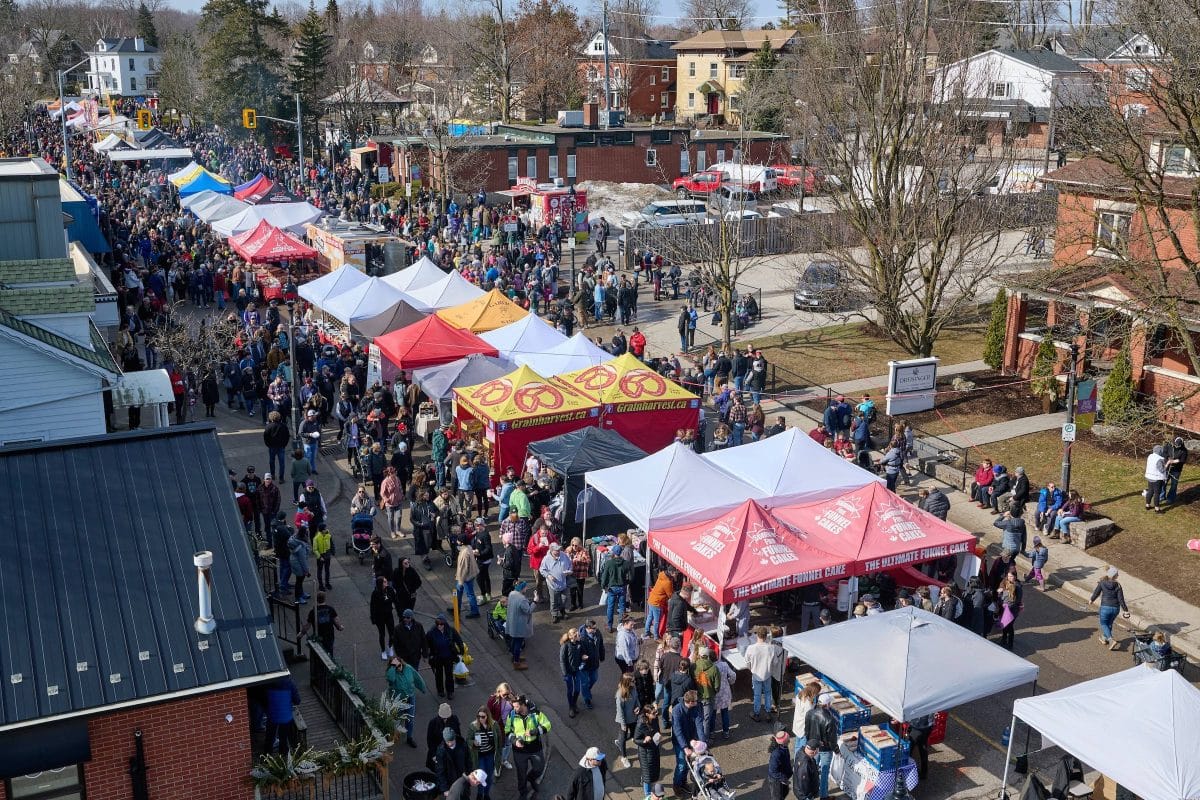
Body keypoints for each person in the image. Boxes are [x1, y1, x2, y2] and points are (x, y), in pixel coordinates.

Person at [505, 695, 552, 799]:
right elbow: (508, 730)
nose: (514, 709)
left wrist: (534, 732)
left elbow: (547, 725)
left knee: (539, 768)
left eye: (516, 706)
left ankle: (531, 778)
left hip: (535, 748)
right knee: (521, 774)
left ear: (523, 705)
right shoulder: (512, 715)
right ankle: (523, 792)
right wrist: (514, 740)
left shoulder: (536, 713)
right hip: (519, 751)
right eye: (513, 706)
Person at [386, 654, 426, 748]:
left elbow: (417, 678)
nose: (398, 668)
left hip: (410, 697)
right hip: (398, 699)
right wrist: (393, 667)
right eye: (396, 667)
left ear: (402, 663)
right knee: (397, 719)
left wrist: (422, 688)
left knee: (410, 719)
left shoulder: (408, 668)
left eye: (399, 665)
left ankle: (409, 738)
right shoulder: (391, 672)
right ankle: (394, 734)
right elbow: (391, 679)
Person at [670, 690, 706, 793]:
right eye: (695, 701)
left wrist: (702, 742)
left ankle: (683, 782)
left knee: (689, 764)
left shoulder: (697, 707)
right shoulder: (677, 710)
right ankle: (677, 785)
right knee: (681, 765)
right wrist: (685, 747)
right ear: (690, 702)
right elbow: (678, 731)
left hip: (692, 739)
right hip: (680, 742)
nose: (697, 702)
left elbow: (699, 724)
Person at [803, 693, 838, 799]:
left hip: (813, 746)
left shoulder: (809, 713)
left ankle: (811, 793)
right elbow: (832, 740)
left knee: (812, 770)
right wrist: (837, 750)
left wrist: (810, 744)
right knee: (824, 772)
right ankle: (824, 796)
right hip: (825, 749)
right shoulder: (830, 719)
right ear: (827, 704)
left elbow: (807, 731)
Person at [1088, 567, 1131, 650]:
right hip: (1115, 609)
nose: (1118, 575)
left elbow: (1096, 592)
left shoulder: (1102, 583)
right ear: (1114, 576)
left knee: (1104, 624)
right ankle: (1104, 638)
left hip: (1105, 607)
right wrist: (1125, 610)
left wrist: (1091, 600)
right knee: (1109, 624)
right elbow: (1121, 599)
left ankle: (1111, 640)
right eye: (1117, 574)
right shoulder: (1118, 585)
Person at [426, 613, 465, 699]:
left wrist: (461, 651)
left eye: (441, 624)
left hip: (448, 657)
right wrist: (428, 655)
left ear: (444, 623)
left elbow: (458, 640)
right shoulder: (431, 632)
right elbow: (426, 644)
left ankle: (450, 692)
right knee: (438, 675)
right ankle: (440, 691)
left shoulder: (450, 630)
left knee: (449, 675)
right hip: (437, 657)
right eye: (437, 624)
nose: (439, 626)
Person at [468, 709, 501, 799]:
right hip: (479, 755)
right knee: (480, 776)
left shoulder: (494, 725)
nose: (480, 719)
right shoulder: (473, 726)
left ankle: (486, 795)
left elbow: (499, 739)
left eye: (483, 717)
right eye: (479, 716)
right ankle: (479, 794)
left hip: (490, 754)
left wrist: (498, 752)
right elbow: (468, 740)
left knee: (489, 777)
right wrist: (473, 742)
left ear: (488, 716)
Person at [264, 675, 301, 754]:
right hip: (285, 716)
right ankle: (283, 754)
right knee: (283, 738)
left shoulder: (267, 683)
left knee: (269, 737)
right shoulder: (290, 684)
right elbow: (297, 700)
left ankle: (267, 756)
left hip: (272, 715)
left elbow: (263, 699)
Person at [745, 627, 775, 721]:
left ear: (757, 635)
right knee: (767, 693)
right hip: (767, 674)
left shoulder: (751, 648)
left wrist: (752, 670)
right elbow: (775, 662)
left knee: (757, 695)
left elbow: (747, 663)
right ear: (766, 636)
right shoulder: (770, 647)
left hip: (756, 674)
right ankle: (768, 712)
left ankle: (756, 714)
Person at [598, 544, 630, 631]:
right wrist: (626, 582)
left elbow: (604, 576)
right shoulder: (626, 563)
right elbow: (630, 576)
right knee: (622, 607)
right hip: (622, 587)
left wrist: (603, 586)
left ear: (613, 552)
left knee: (610, 607)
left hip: (612, 588)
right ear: (621, 552)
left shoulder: (609, 563)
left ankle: (609, 625)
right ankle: (621, 624)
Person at [634, 706, 663, 798]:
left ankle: (652, 788)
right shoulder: (641, 724)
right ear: (647, 714)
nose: (656, 714)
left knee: (654, 771)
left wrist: (658, 735)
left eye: (655, 712)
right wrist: (644, 741)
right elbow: (635, 739)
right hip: (645, 752)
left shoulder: (654, 720)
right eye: (653, 713)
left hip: (654, 748)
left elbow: (657, 730)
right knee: (648, 776)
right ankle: (647, 795)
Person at [540, 542, 572, 622]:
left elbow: (570, 564)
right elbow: (542, 569)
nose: (558, 552)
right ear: (551, 550)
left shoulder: (564, 555)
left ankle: (562, 611)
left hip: (564, 582)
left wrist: (569, 571)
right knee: (554, 601)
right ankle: (554, 614)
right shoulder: (546, 559)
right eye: (556, 550)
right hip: (553, 584)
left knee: (564, 599)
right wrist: (549, 576)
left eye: (559, 550)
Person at [507, 581, 534, 669]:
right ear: (521, 588)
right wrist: (535, 601)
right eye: (525, 587)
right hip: (519, 625)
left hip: (512, 622)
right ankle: (516, 662)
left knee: (514, 640)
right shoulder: (522, 599)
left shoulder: (511, 594)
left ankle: (514, 656)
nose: (526, 588)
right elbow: (528, 610)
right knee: (518, 643)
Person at [435, 725, 470, 793]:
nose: (450, 743)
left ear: (455, 738)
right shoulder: (441, 751)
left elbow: (468, 760)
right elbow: (440, 771)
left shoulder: (463, 745)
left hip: (463, 778)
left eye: (452, 741)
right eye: (448, 742)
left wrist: (468, 773)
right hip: (450, 782)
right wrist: (445, 789)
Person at [614, 673, 639, 768]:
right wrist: (623, 724)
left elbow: (637, 701)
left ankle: (619, 741)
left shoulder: (633, 689)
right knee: (624, 739)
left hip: (633, 718)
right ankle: (624, 757)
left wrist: (638, 707)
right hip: (623, 721)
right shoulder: (620, 694)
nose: (634, 682)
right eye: (632, 681)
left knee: (633, 735)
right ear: (627, 682)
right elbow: (620, 711)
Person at [370, 576, 397, 661]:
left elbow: (395, 600)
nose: (387, 583)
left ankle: (390, 647)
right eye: (384, 582)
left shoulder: (390, 590)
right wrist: (373, 618)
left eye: (386, 581)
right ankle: (383, 651)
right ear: (380, 584)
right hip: (379, 617)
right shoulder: (375, 593)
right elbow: (372, 606)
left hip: (389, 615)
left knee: (392, 633)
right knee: (382, 634)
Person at [455, 533, 482, 619]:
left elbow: (464, 569)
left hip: (466, 577)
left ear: (462, 542)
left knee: (469, 594)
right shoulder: (469, 547)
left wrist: (460, 581)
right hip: (471, 574)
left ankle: (474, 611)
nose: (457, 541)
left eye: (458, 540)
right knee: (460, 592)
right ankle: (456, 607)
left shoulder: (464, 553)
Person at [907, 713, 936, 779]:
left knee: (909, 749)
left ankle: (907, 773)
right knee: (923, 747)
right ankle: (924, 772)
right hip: (928, 725)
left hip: (918, 726)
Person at [767, 729, 793, 800]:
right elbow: (773, 771)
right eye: (788, 740)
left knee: (785, 793)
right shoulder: (776, 754)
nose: (789, 741)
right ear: (784, 742)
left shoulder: (784, 747)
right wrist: (783, 779)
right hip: (776, 781)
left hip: (783, 777)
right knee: (777, 798)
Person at [996, 574, 1020, 650]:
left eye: (1011, 576)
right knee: (1006, 626)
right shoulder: (1006, 583)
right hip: (1007, 610)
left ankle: (1009, 643)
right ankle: (1005, 640)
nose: (1009, 578)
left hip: (1010, 610)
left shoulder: (1017, 587)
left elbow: (1017, 600)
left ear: (1015, 577)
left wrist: (1000, 593)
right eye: (1008, 576)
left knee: (1009, 626)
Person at [1163, 436, 1188, 504]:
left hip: (1176, 470)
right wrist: (1168, 458)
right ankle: (1162, 496)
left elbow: (1182, 460)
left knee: (1174, 485)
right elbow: (1164, 452)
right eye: (1176, 445)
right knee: (1163, 482)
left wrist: (1174, 461)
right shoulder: (1169, 445)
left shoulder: (1184, 450)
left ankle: (1170, 498)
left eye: (1178, 446)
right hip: (1168, 468)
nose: (1177, 446)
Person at [1145, 444, 1167, 512]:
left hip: (1149, 477)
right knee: (1157, 493)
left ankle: (1147, 505)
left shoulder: (1150, 456)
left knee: (1150, 491)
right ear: (1160, 451)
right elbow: (1162, 470)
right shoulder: (1159, 459)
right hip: (1156, 478)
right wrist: (1167, 463)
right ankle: (1157, 508)